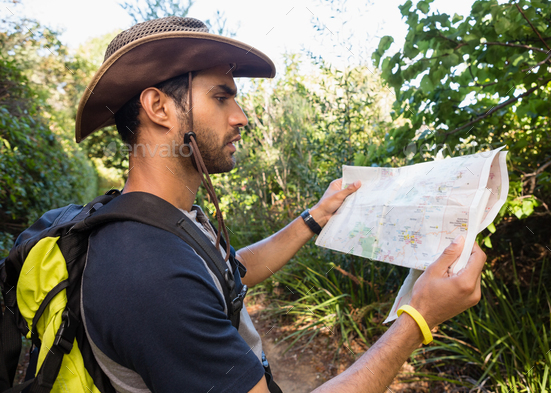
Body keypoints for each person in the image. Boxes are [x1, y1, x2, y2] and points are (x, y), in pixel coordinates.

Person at [76, 16, 486, 393]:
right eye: (222, 98)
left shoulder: (158, 220)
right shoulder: (151, 274)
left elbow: (226, 273)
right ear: (159, 107)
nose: (241, 117)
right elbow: (186, 283)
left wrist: (315, 217)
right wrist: (419, 317)